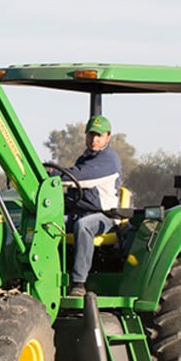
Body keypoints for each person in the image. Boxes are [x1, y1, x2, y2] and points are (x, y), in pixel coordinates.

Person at [62, 115, 122, 297]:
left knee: (84, 226)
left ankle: (79, 283)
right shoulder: (85, 158)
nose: (94, 139)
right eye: (90, 135)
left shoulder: (108, 160)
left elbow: (80, 177)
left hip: (106, 216)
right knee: (48, 223)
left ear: (107, 137)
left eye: (98, 135)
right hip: (80, 212)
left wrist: (54, 175)